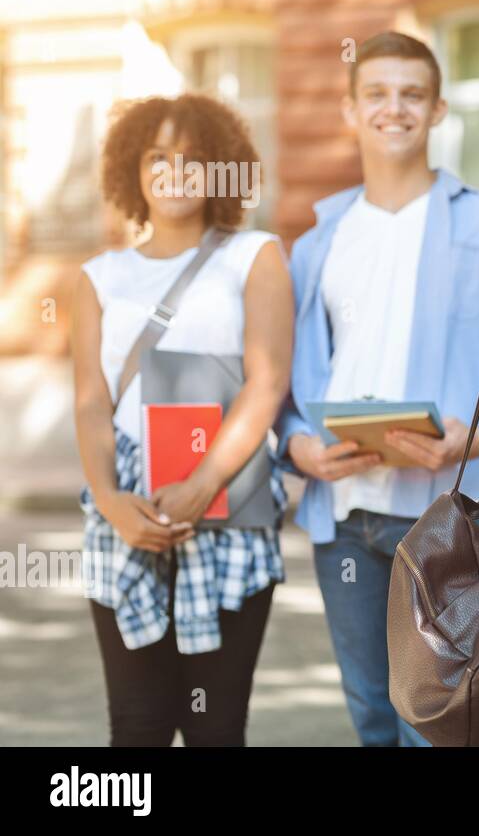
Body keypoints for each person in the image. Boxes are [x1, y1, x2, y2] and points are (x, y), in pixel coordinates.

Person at [273, 31, 479, 747]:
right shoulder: (317, 242)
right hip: (342, 513)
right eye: (376, 93)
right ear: (351, 111)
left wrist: (473, 438)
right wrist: (299, 450)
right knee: (373, 719)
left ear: (438, 108)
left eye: (411, 94)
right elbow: (290, 382)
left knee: (441, 723)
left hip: (449, 516)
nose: (395, 108)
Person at [72, 93, 293, 745]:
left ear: (221, 169)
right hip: (127, 513)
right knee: (136, 727)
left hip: (227, 509)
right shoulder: (98, 276)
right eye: (158, 156)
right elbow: (90, 399)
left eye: (194, 158)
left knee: (213, 726)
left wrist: (203, 485)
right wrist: (110, 501)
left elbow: (269, 380)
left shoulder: (255, 255)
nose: (175, 170)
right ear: (132, 170)